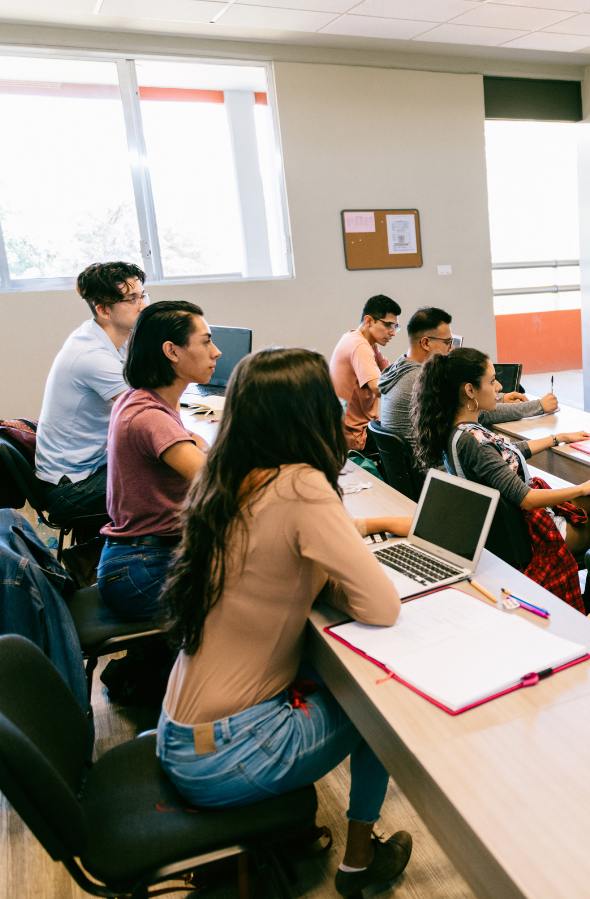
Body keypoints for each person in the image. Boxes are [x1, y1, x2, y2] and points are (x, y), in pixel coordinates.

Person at [157, 347, 414, 898]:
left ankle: (297, 831)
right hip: (230, 753)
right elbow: (382, 607)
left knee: (331, 675)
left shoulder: (225, 477)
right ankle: (361, 861)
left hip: (181, 734)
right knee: (384, 703)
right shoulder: (301, 484)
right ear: (312, 412)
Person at [412, 347, 590, 611]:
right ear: (469, 390)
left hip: (508, 530)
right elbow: (527, 499)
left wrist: (558, 438)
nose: (499, 387)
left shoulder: (459, 431)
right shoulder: (475, 443)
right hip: (531, 534)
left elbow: (507, 455)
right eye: (492, 380)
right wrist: (584, 487)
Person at [96, 301, 219, 622]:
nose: (216, 352)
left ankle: (144, 668)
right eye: (206, 341)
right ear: (172, 351)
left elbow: (196, 444)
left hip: (134, 559)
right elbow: (219, 483)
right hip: (143, 570)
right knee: (267, 590)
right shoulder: (151, 417)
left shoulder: (140, 399)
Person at [34, 262, 148, 525]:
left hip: (92, 466)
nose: (143, 305)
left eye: (143, 296)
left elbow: (146, 389)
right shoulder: (91, 356)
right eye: (132, 299)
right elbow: (143, 414)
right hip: (70, 488)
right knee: (174, 484)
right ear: (103, 309)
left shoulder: (110, 339)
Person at [378, 306, 558, 445]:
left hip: (416, 473)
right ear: (426, 343)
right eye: (447, 342)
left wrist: (500, 398)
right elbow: (475, 412)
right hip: (435, 472)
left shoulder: (398, 368)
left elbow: (464, 402)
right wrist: (539, 406)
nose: (452, 348)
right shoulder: (421, 380)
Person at [329, 294, 400, 454]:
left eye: (395, 326)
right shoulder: (359, 345)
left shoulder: (364, 341)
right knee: (409, 445)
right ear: (369, 321)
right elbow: (378, 387)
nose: (393, 332)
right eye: (388, 325)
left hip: (357, 428)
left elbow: (391, 372)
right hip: (354, 437)